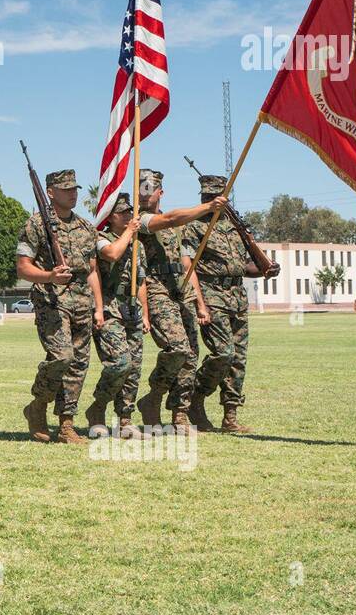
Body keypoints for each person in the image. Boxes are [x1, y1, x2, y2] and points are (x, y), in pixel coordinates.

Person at [130, 169, 225, 433]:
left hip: (181, 288)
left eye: (151, 189)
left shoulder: (175, 228)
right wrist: (207, 206)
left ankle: (180, 412)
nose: (146, 194)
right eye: (142, 189)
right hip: (157, 287)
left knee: (191, 355)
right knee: (178, 347)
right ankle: (153, 398)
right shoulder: (140, 220)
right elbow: (171, 218)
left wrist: (200, 302)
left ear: (161, 192)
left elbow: (187, 264)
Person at [183, 174, 278, 433]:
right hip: (211, 295)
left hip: (237, 296)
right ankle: (196, 397)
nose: (212, 201)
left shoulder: (235, 227)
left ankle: (230, 416)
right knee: (223, 353)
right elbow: (188, 268)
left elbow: (243, 267)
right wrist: (200, 304)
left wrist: (266, 267)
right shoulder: (194, 227)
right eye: (207, 197)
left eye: (216, 197)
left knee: (238, 358)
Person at [15, 169, 103, 444]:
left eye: (75, 188)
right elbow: (22, 268)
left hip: (82, 302)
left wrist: (99, 307)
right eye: (67, 189)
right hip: (51, 300)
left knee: (78, 364)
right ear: (50, 193)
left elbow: (91, 270)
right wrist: (49, 276)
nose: (73, 193)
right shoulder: (36, 224)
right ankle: (38, 405)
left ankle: (66, 424)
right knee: (62, 357)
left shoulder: (87, 228)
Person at [85, 193, 148, 439]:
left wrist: (146, 314)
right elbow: (111, 254)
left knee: (134, 367)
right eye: (123, 213)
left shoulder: (138, 245)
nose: (129, 216)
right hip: (109, 307)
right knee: (119, 363)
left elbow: (141, 280)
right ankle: (98, 408)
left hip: (131, 309)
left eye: (131, 213)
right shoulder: (100, 238)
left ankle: (125, 420)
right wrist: (129, 232)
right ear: (110, 216)